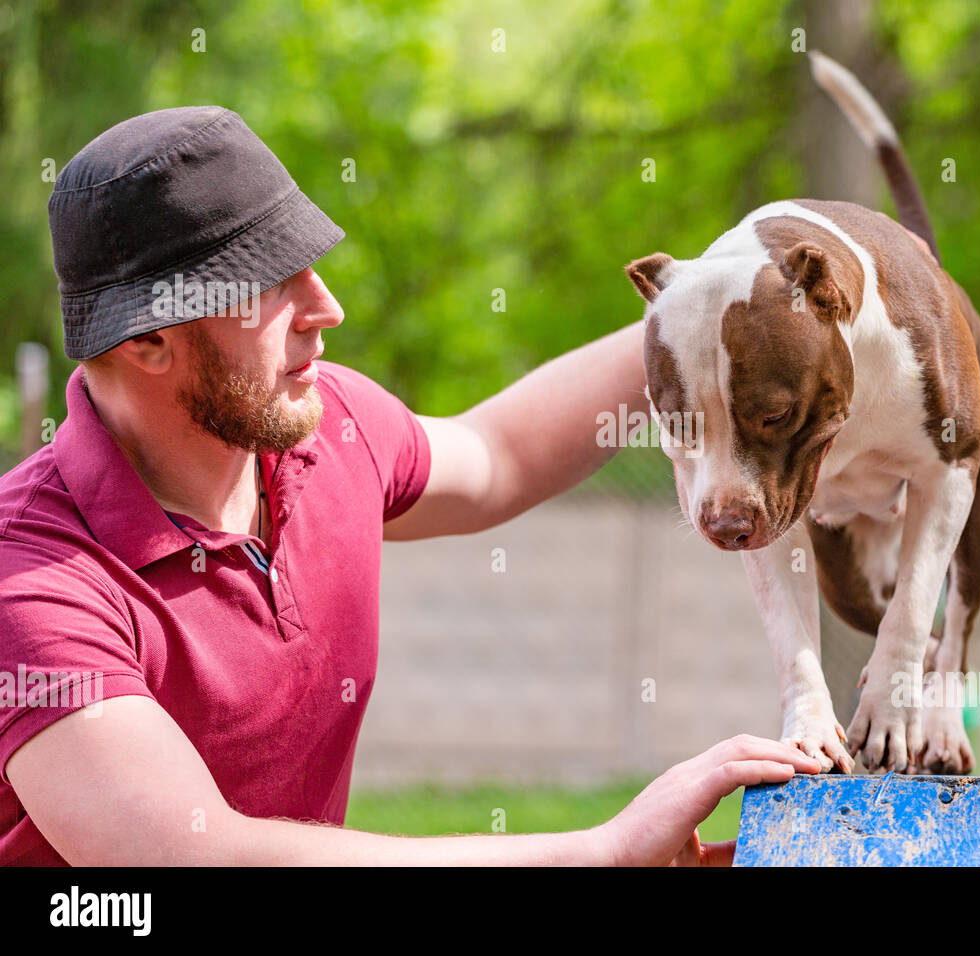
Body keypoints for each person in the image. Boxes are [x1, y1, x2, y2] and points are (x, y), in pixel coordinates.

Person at [0, 106, 817, 866]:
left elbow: (499, 453)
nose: (327, 307)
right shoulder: (30, 577)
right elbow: (193, 854)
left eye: (311, 267)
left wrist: (706, 309)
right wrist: (597, 852)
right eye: (272, 283)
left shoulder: (327, 425)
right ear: (148, 340)